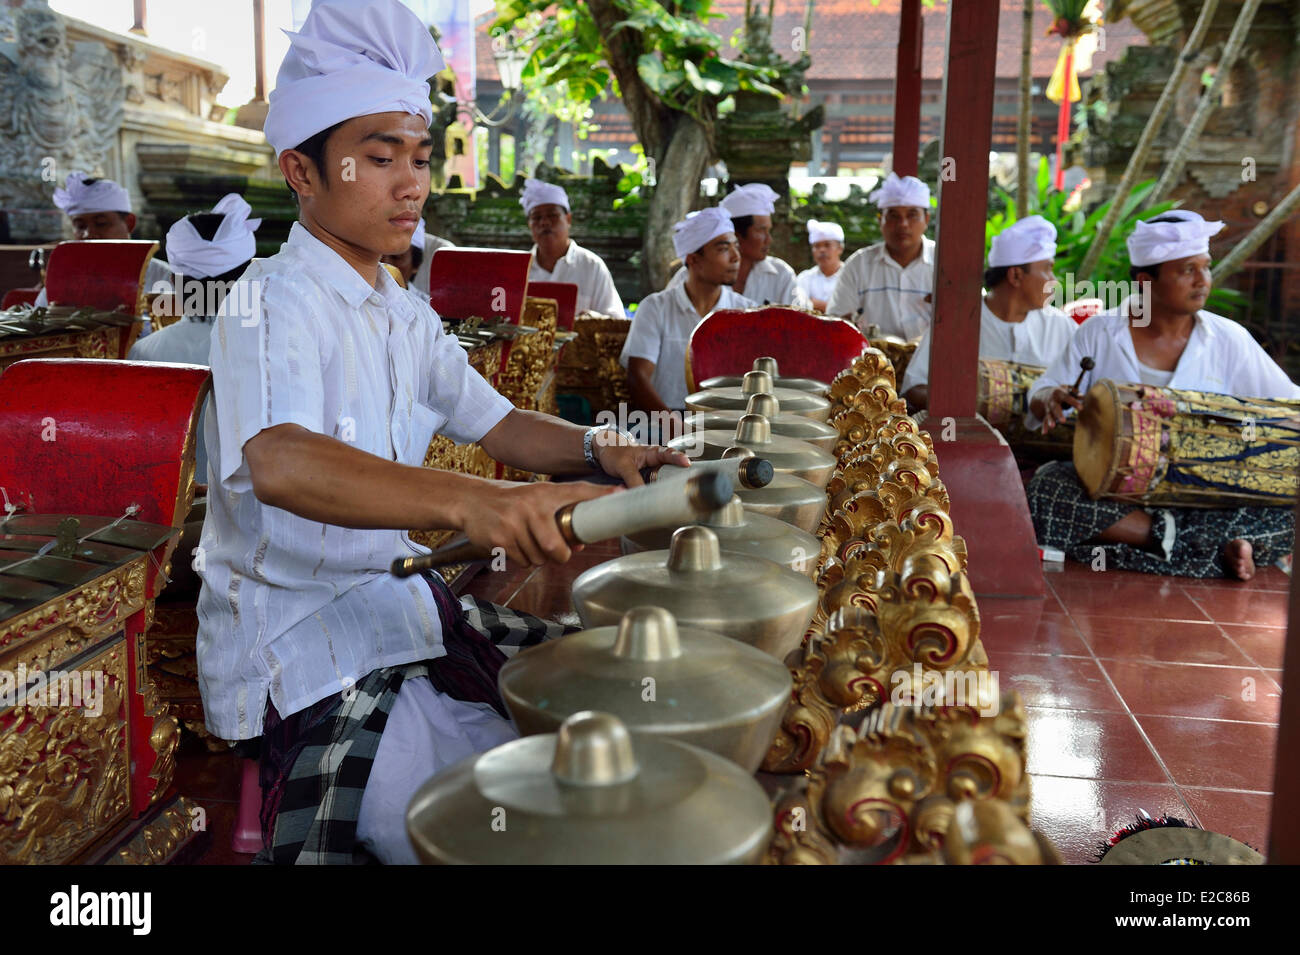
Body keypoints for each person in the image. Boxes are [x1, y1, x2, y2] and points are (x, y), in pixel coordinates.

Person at [196, 0, 685, 865]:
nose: (411, 183)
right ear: (301, 173)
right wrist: (484, 502)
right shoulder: (265, 304)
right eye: (379, 158)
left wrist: (600, 448)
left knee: (612, 713)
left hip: (403, 610)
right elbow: (279, 460)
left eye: (419, 158)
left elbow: (495, 421)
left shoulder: (399, 310)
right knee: (511, 829)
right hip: (306, 652)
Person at [1025, 210, 1300, 580]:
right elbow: (1043, 392)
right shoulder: (1100, 332)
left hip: (1205, 499)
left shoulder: (1229, 339)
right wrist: (1051, 398)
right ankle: (1208, 550)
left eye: (1205, 268)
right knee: (1048, 489)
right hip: (1117, 496)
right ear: (1145, 281)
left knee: (1285, 515)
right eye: (1187, 270)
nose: (1203, 280)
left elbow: (1288, 406)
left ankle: (1158, 545)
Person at [129, 192, 261, 483]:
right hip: (261, 509)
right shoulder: (275, 342)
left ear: (175, 281)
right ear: (251, 276)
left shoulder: (144, 353)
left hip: (174, 512)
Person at [901, 215, 1075, 409]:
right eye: (1047, 270)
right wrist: (965, 404)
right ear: (1015, 275)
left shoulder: (1062, 326)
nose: (1054, 281)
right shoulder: (957, 321)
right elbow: (913, 388)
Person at [620, 207, 757, 439]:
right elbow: (637, 378)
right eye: (724, 248)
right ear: (693, 260)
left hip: (728, 425)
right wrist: (678, 429)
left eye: (735, 246)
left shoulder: (745, 313)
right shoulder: (655, 308)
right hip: (664, 422)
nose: (736, 257)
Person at [36, 172, 174, 307]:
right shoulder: (61, 282)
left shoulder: (164, 277)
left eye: (101, 223)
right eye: (80, 226)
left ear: (129, 223)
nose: (88, 234)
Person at [827, 172, 934, 340]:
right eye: (893, 216)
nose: (903, 224)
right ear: (880, 221)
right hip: (872, 363)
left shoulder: (944, 263)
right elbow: (836, 323)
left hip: (932, 363)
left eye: (912, 215)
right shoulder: (859, 265)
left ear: (926, 219)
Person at [669, 183, 811, 308]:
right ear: (735, 234)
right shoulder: (689, 277)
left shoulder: (781, 275)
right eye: (761, 231)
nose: (769, 240)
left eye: (769, 231)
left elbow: (800, 323)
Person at [522, 179, 625, 317]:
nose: (544, 222)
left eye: (552, 215)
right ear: (529, 225)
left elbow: (616, 320)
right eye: (536, 217)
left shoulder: (592, 266)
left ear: (568, 219)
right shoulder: (519, 270)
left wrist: (593, 319)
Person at [795, 219, 845, 312]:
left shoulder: (850, 277)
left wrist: (814, 304)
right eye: (817, 246)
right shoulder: (804, 278)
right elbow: (798, 306)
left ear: (840, 248)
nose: (822, 250)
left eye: (827, 245)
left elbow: (850, 309)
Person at [407, 217, 456, 295]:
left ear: (416, 265)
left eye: (396, 258)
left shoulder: (424, 304)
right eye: (381, 257)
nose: (385, 263)